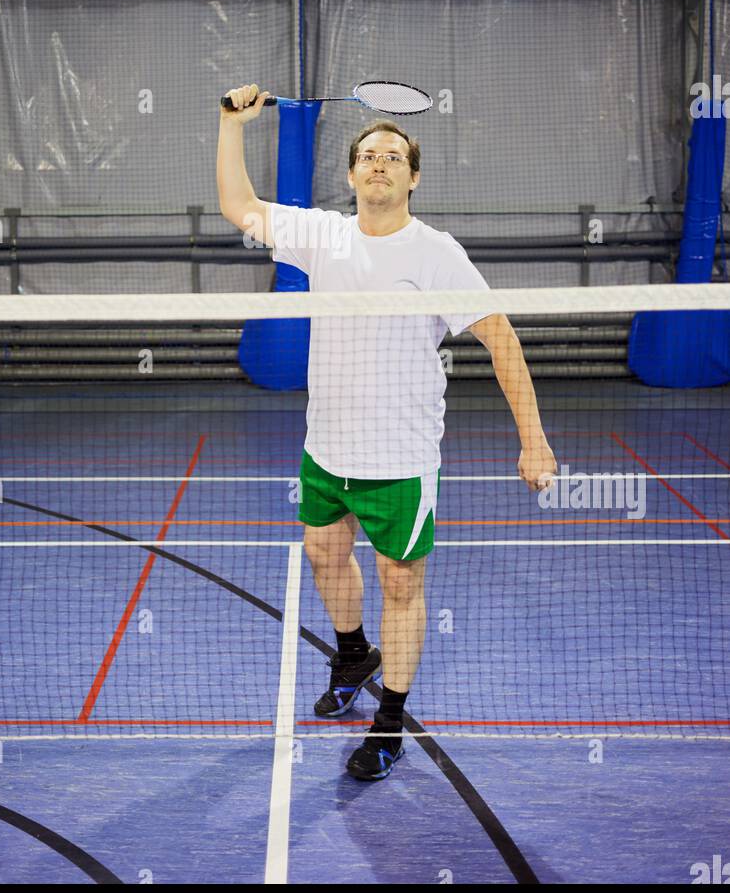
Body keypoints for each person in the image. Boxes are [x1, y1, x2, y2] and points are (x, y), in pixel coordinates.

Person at [217, 84, 557, 780]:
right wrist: (230, 126)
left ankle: (390, 722)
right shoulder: (325, 235)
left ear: (413, 176)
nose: (378, 163)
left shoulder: (436, 254)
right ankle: (352, 651)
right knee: (322, 558)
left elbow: (500, 338)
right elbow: (240, 209)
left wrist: (535, 438)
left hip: (399, 460)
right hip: (326, 451)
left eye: (392, 155)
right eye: (367, 154)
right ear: (350, 175)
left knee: (401, 586)